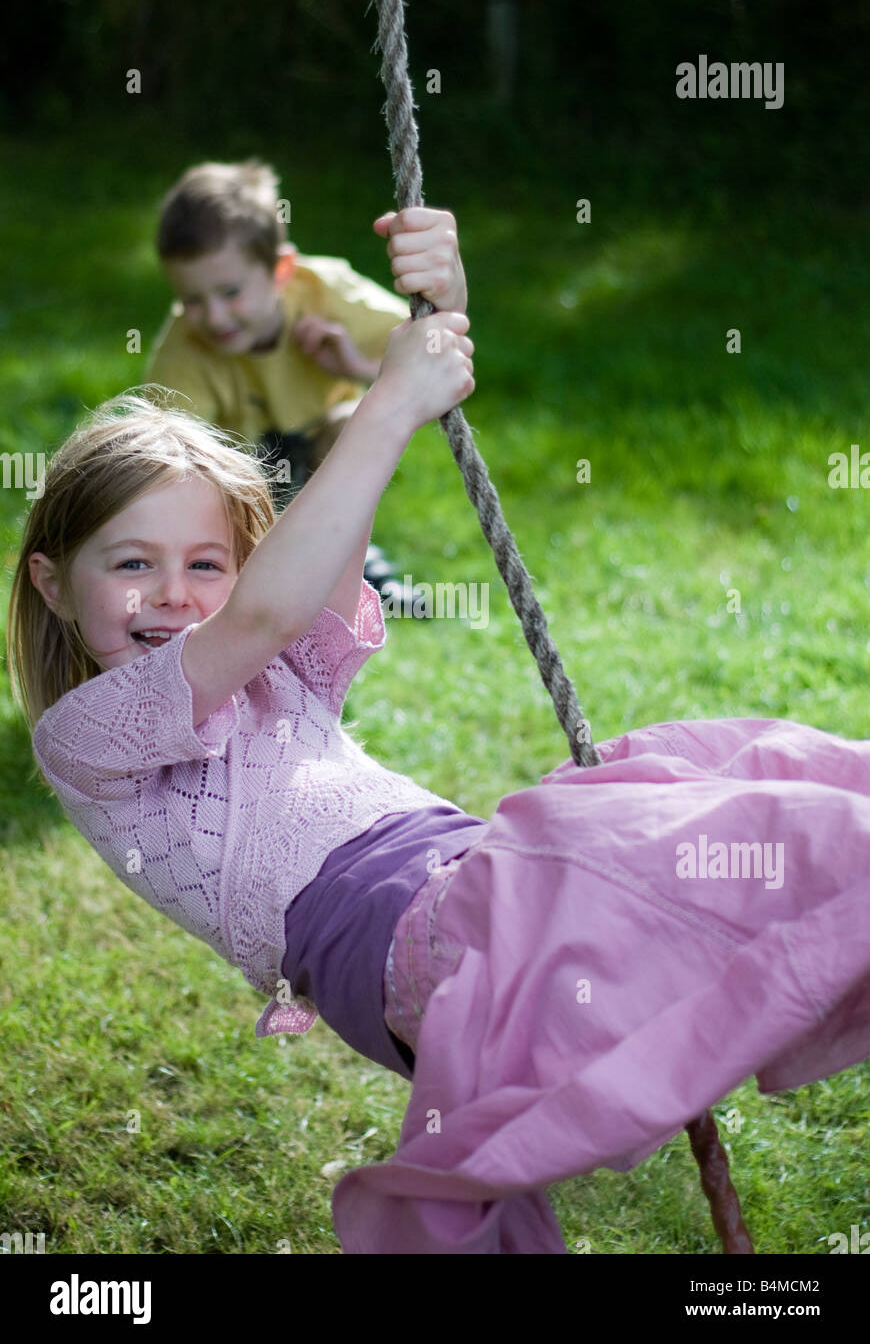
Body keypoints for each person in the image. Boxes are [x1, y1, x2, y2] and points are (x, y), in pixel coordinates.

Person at [9, 299, 870, 1254]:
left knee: (735, 787)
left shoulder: (272, 670)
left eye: (207, 564)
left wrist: (421, 343)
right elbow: (258, 616)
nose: (174, 594)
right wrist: (389, 401)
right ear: (51, 582)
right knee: (723, 846)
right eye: (133, 563)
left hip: (459, 883)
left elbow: (311, 579)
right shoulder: (88, 736)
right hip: (414, 935)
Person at [145, 158, 467, 612]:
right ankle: (240, 579)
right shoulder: (184, 348)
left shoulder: (325, 291)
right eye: (192, 300)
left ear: (281, 270)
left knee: (353, 419)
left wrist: (354, 364)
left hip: (324, 450)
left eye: (231, 293)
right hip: (239, 470)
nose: (214, 317)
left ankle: (363, 578)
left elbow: (427, 360)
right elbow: (167, 459)